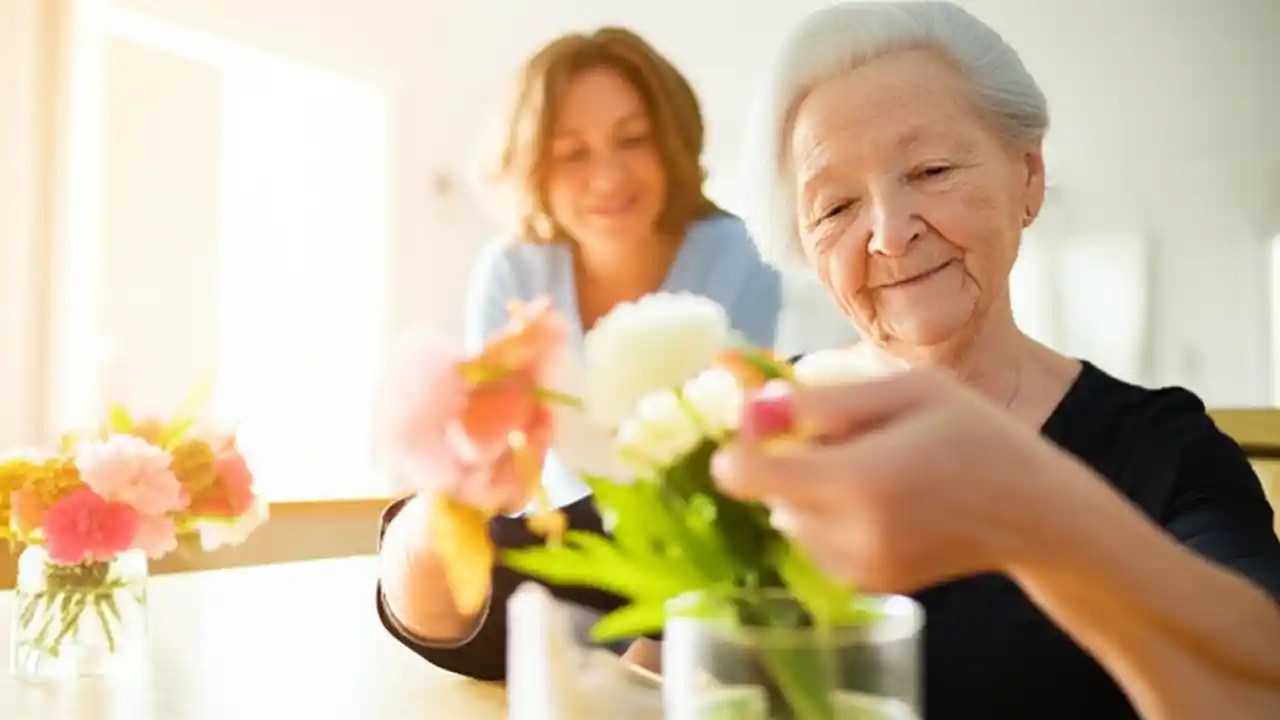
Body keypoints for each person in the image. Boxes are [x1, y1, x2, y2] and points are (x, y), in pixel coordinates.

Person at [710, 2, 1280, 718]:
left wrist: (1033, 510)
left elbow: (1261, 683)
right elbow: (653, 669)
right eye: (834, 208)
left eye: (931, 169)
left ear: (1029, 177)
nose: (889, 232)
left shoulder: (1164, 448)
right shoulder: (759, 425)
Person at [376, 27, 780, 680]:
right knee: (444, 576)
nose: (608, 176)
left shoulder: (738, 254)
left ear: (671, 139)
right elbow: (502, 464)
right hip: (559, 533)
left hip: (694, 529)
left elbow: (728, 444)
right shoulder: (509, 269)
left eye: (633, 139)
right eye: (572, 153)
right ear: (533, 166)